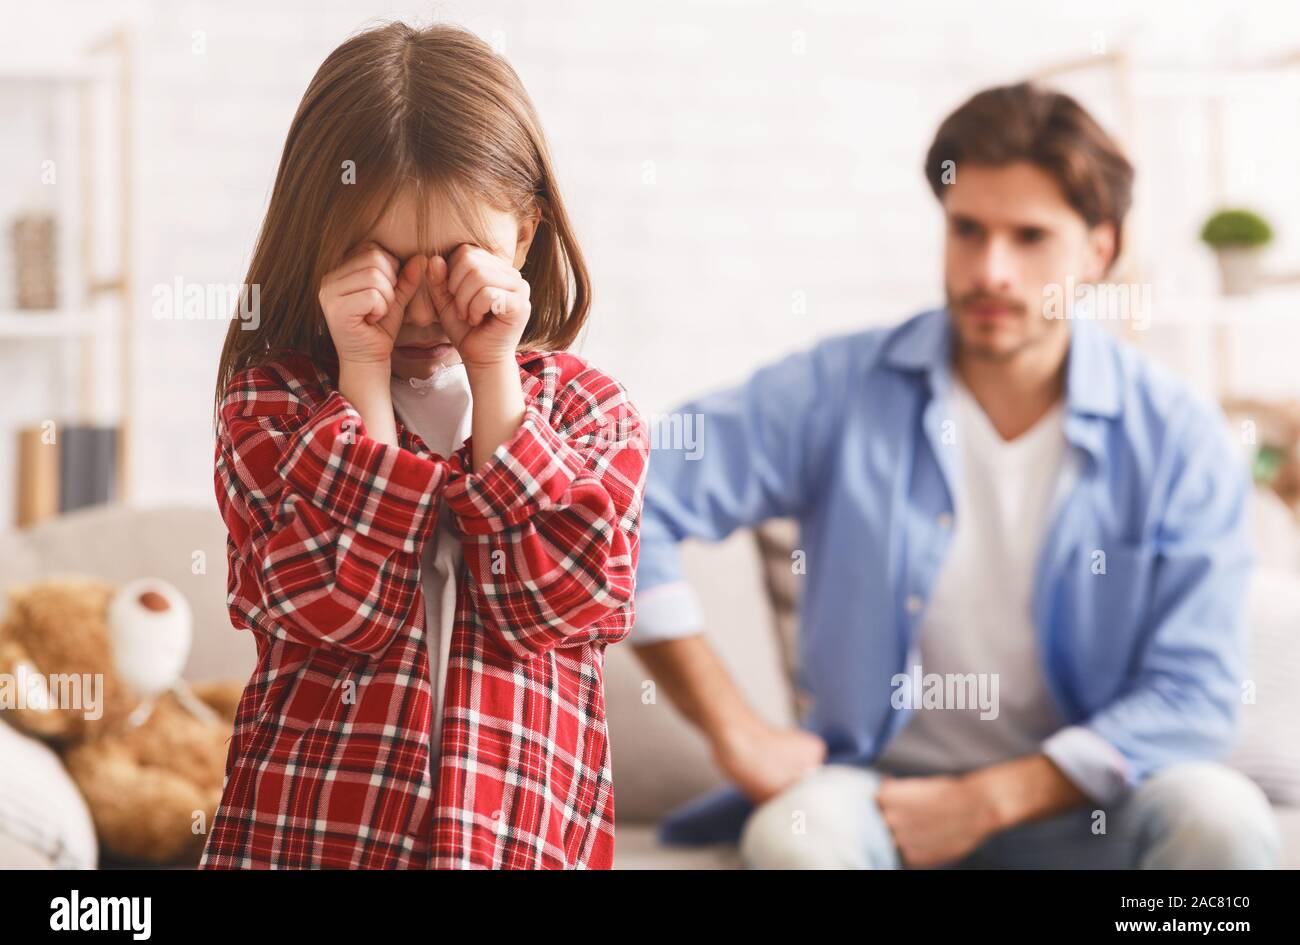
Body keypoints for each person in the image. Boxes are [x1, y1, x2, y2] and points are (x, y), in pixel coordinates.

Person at [628, 82, 1280, 869]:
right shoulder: (836, 389)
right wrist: (734, 729)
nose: (990, 269)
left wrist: (987, 801)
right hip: (882, 799)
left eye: (1029, 237)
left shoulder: (1179, 438)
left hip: (1094, 803)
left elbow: (1196, 692)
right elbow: (624, 498)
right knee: (799, 839)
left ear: (1099, 250)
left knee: (1224, 821)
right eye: (967, 230)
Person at [202, 21, 648, 869]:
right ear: (316, 240)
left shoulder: (592, 413)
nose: (417, 297)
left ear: (521, 238)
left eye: (456, 257)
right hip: (308, 843)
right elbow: (337, 613)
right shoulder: (271, 407)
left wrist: (491, 371)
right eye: (376, 257)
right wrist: (363, 375)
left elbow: (557, 604)